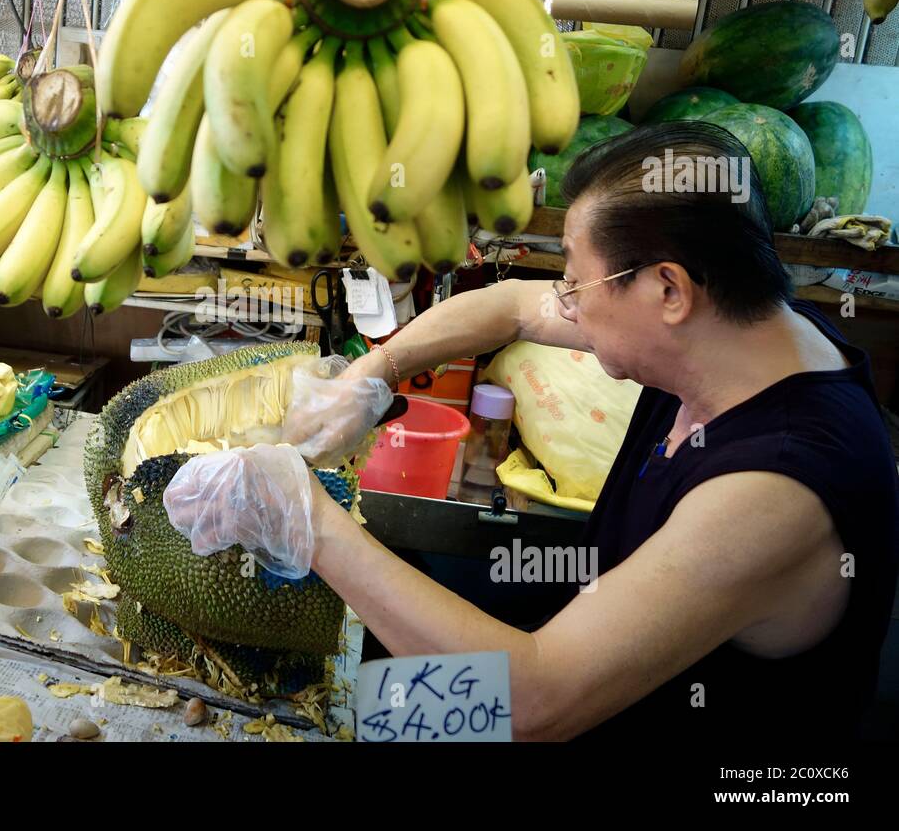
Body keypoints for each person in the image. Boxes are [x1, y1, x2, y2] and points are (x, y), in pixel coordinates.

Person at [164, 121, 899, 741]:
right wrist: (373, 375)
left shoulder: (774, 489)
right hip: (604, 669)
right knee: (353, 700)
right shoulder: (737, 329)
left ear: (668, 290)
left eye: (578, 284)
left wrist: (309, 523)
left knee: (364, 707)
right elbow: (514, 304)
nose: (567, 304)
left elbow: (534, 701)